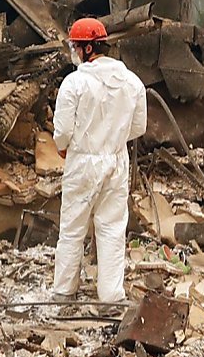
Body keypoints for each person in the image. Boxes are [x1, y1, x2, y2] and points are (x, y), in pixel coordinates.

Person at [52, 16, 148, 307]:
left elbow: (62, 132)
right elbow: (139, 127)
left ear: (88, 49)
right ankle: (111, 297)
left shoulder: (75, 83)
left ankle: (64, 293)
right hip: (116, 162)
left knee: (72, 230)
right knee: (111, 230)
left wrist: (65, 147)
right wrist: (113, 141)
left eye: (77, 47)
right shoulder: (132, 82)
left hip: (83, 162)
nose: (75, 52)